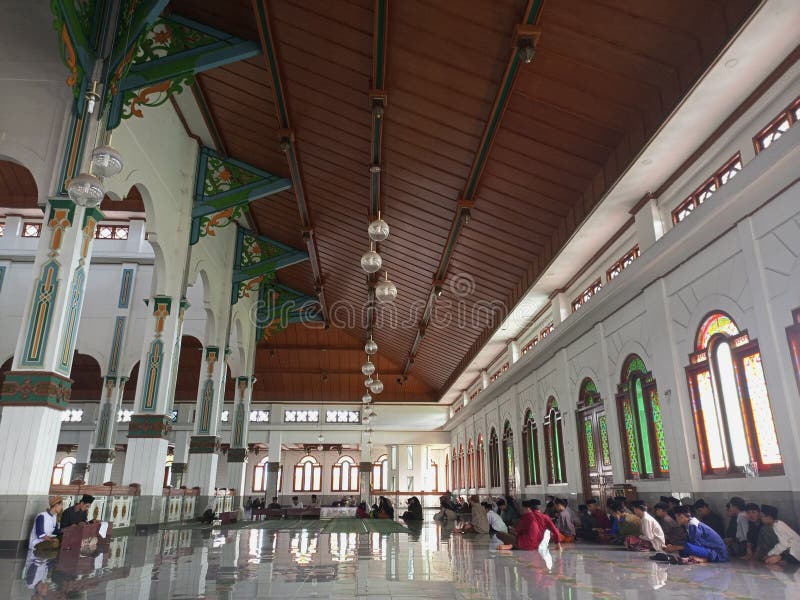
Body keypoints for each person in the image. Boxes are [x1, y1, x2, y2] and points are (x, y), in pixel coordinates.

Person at [497, 500, 561, 551]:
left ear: (529, 508)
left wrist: (513, 530)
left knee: (499, 534)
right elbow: (555, 531)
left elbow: (518, 530)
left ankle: (511, 546)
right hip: (537, 546)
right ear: (540, 507)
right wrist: (558, 544)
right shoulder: (545, 517)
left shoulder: (527, 516)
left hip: (524, 544)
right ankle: (511, 546)